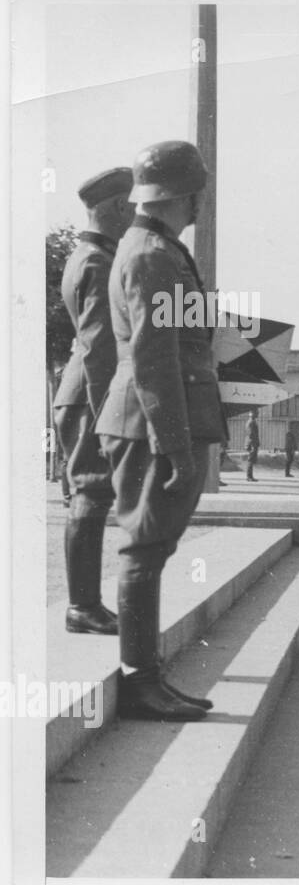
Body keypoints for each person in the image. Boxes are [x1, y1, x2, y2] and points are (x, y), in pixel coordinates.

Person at [95, 140, 220, 721]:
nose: (201, 205)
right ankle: (141, 681)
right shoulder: (152, 254)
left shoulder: (158, 248)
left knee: (153, 548)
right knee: (145, 549)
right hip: (150, 425)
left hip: (156, 419)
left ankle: (148, 675)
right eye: (197, 193)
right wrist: (173, 445)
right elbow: (153, 358)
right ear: (182, 194)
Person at [54, 166, 135, 635]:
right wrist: (112, 412)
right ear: (118, 208)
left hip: (82, 390)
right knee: (91, 489)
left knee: (92, 491)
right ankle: (82, 606)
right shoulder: (99, 261)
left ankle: (85, 604)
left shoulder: (88, 255)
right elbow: (101, 346)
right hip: (90, 393)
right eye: (133, 207)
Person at [244, 413, 260, 481]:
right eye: (257, 412)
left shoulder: (252, 421)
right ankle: (249, 477)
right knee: (250, 459)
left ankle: (250, 476)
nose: (258, 414)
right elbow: (251, 434)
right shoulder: (251, 422)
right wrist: (254, 444)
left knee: (251, 459)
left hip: (252, 442)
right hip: (252, 443)